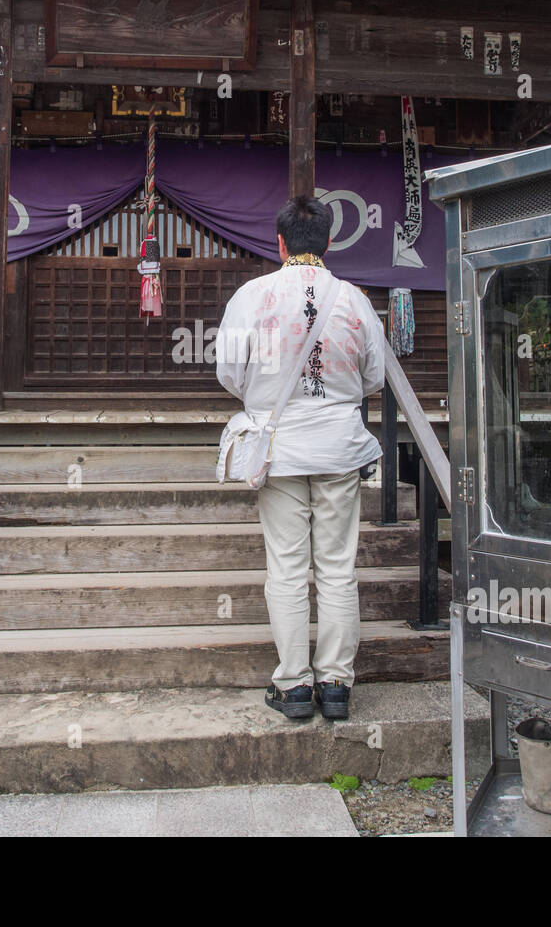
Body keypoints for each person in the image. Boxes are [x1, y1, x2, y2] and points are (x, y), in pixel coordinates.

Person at [216, 195, 385, 720]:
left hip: (279, 450)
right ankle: (335, 684)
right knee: (337, 569)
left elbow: (228, 370)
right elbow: (375, 376)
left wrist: (263, 398)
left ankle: (292, 686)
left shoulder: (252, 295)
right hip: (339, 448)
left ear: (281, 242)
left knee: (287, 569)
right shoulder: (353, 299)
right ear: (330, 241)